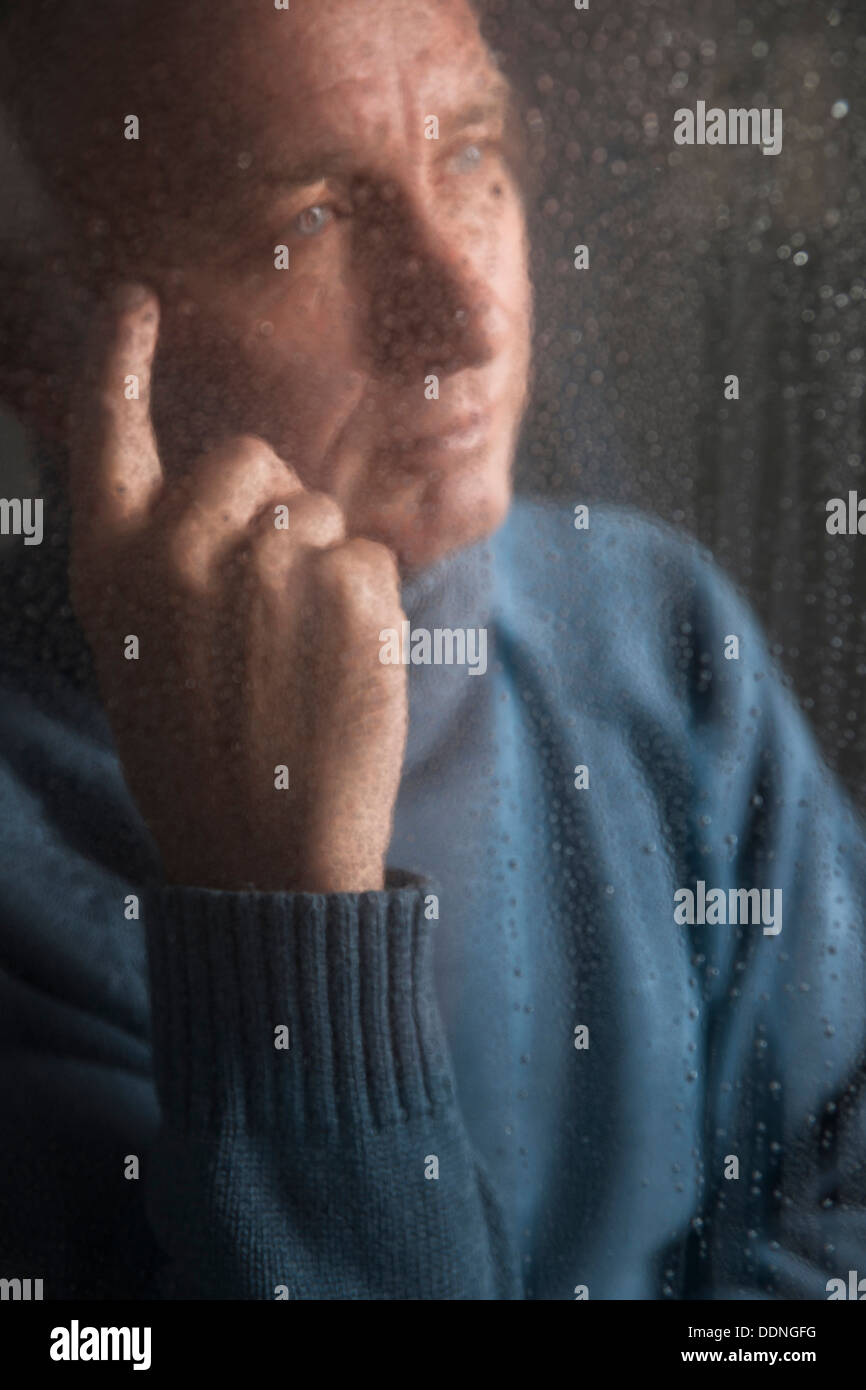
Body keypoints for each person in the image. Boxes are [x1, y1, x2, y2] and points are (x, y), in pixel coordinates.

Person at [0, 0, 864, 1301]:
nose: (463, 314)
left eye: (467, 153)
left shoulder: (653, 631)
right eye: (307, 221)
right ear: (48, 352)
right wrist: (285, 917)